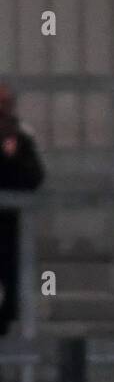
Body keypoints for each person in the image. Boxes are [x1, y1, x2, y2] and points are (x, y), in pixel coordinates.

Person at [0, 84, 44, 337]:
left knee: (9, 298)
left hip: (9, 230)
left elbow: (34, 178)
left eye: (7, 104)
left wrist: (12, 157)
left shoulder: (20, 138)